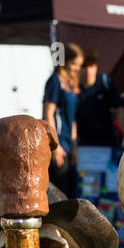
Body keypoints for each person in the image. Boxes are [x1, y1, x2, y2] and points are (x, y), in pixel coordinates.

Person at [44, 42, 84, 198]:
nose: (76, 68)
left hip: (68, 146)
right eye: (74, 63)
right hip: (57, 145)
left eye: (79, 65)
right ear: (65, 61)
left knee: (70, 193)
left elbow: (72, 120)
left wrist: (74, 148)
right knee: (57, 194)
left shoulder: (71, 85)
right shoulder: (55, 81)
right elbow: (48, 114)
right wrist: (54, 145)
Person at [76, 49, 124, 149]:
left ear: (96, 67)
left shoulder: (105, 83)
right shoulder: (73, 87)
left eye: (91, 66)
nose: (88, 71)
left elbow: (119, 111)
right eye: (84, 67)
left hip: (107, 144)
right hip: (81, 146)